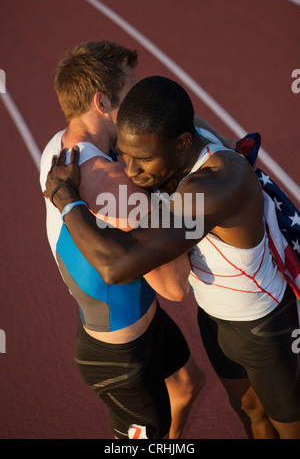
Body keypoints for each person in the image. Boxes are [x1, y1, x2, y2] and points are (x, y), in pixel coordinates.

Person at [43, 75, 300, 439]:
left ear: (181, 143)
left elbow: (117, 266)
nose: (130, 172)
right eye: (124, 154)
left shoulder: (214, 186)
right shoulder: (175, 132)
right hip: (214, 319)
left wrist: (66, 197)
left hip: (265, 328)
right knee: (250, 413)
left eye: (142, 160)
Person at [39, 45, 204, 440]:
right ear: (101, 101)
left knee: (186, 384)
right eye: (131, 96)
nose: (140, 104)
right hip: (120, 358)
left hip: (141, 321)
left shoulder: (60, 146)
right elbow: (176, 286)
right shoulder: (112, 183)